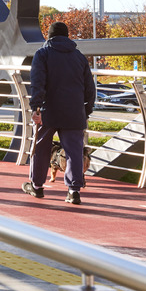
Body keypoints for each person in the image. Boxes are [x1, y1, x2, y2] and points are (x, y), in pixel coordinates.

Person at [23, 21, 96, 205]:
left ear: (49, 36)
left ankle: (37, 186)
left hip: (48, 111)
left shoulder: (42, 54)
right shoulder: (79, 57)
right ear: (67, 36)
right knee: (74, 152)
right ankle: (73, 191)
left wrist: (36, 107)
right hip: (75, 112)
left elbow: (38, 83)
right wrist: (86, 109)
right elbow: (90, 87)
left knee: (41, 148)